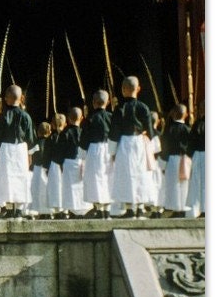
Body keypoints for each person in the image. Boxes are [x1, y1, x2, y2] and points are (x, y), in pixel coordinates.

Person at [108, 75, 154, 218]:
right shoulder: (143, 107)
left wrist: (112, 152)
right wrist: (153, 148)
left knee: (126, 175)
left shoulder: (119, 108)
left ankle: (129, 209)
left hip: (124, 144)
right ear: (138, 89)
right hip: (140, 142)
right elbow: (150, 131)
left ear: (123, 90)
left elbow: (114, 132)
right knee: (141, 174)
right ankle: (140, 208)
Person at [0, 84, 36, 218]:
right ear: (21, 98)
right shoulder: (26, 116)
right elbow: (31, 137)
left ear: (7, 99)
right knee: (21, 177)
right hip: (21, 150)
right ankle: (19, 209)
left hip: (6, 150)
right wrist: (30, 154)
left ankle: (10, 208)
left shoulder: (3, 116)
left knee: (7, 178)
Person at [80, 89, 113, 218]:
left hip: (94, 149)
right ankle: (107, 209)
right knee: (108, 178)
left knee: (96, 179)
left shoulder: (89, 119)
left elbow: (84, 139)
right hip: (109, 149)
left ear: (93, 102)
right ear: (108, 102)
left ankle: (99, 209)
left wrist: (82, 156)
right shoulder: (112, 117)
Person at [158, 103, 192, 217]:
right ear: (186, 115)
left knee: (173, 184)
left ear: (173, 114)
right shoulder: (188, 129)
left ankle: (176, 208)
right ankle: (184, 208)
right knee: (185, 184)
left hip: (172, 159)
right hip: (185, 159)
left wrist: (162, 164)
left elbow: (165, 147)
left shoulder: (169, 130)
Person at [60, 107, 87, 217]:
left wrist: (60, 163)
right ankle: (82, 210)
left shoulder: (65, 133)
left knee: (69, 188)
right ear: (82, 118)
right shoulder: (83, 132)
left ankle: (68, 210)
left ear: (68, 118)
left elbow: (61, 149)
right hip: (81, 161)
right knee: (80, 186)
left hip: (68, 162)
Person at [186, 101, 205, 218]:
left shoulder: (197, 124)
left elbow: (191, 142)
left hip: (198, 155)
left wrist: (189, 155)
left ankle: (200, 209)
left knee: (198, 184)